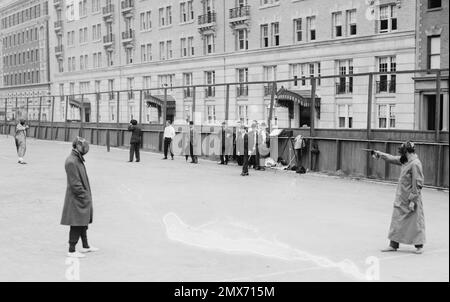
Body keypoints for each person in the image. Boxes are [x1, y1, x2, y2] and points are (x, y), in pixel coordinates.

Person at [372, 141, 426, 254]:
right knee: (396, 220)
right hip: (401, 198)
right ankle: (393, 245)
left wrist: (413, 200)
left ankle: (419, 245)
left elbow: (418, 183)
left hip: (411, 198)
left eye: (402, 151)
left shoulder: (415, 163)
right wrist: (379, 154)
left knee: (415, 222)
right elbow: (392, 158)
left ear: (406, 151)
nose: (401, 153)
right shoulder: (405, 161)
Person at [61, 137, 98, 258]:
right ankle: (71, 250)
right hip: (77, 198)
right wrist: (84, 196)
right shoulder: (72, 161)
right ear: (77, 146)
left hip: (81, 197)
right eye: (83, 146)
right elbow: (75, 183)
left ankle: (85, 245)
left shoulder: (77, 158)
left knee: (83, 222)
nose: (85, 148)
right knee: (76, 223)